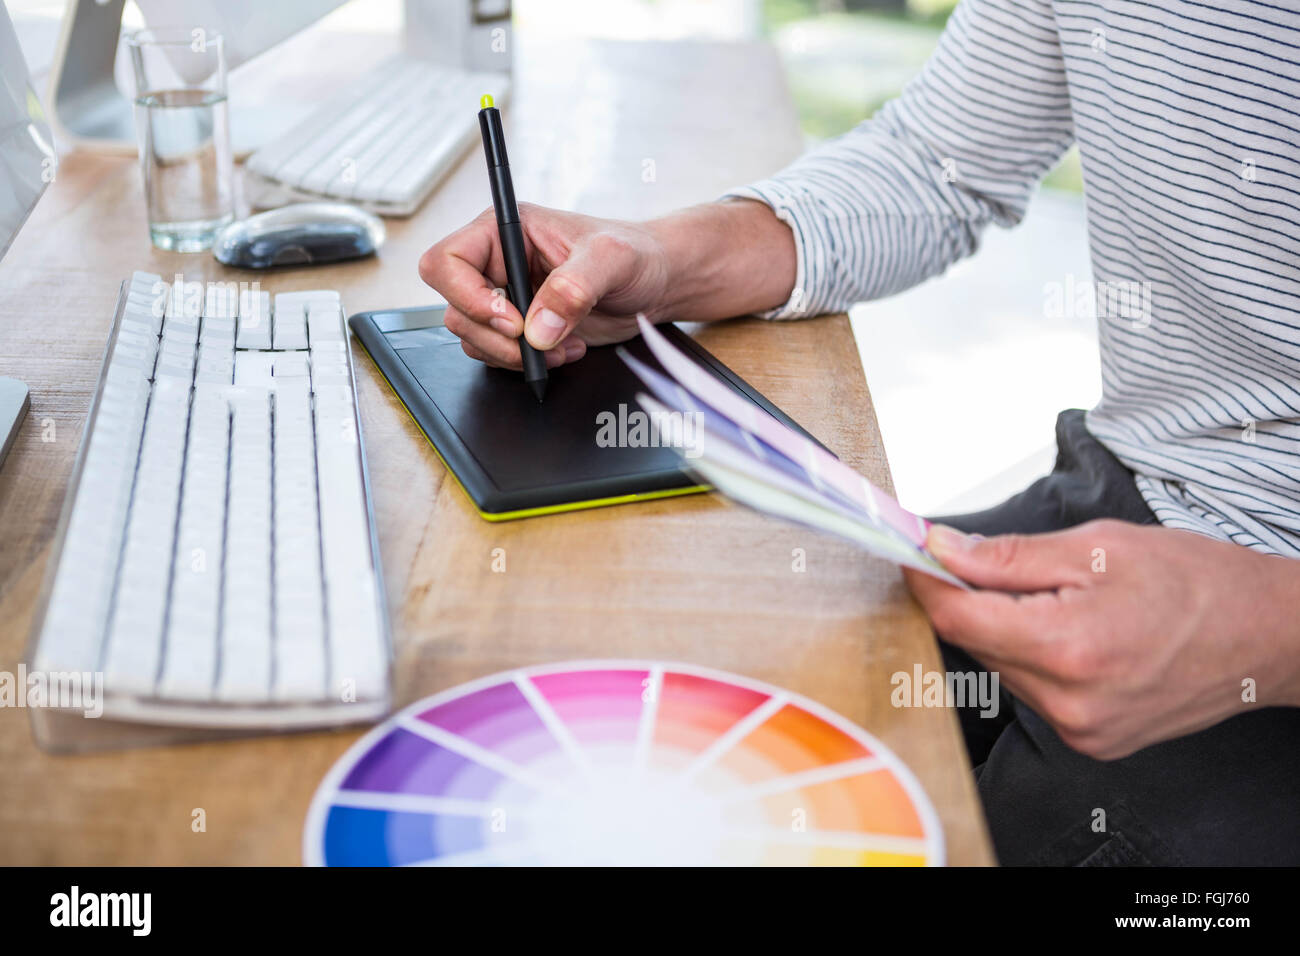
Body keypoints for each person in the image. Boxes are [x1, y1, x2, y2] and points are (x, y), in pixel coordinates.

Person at [419, 0, 1300, 865]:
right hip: (1134, 485)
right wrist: (657, 261)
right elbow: (938, 163)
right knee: (695, 731)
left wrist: (1269, 630)